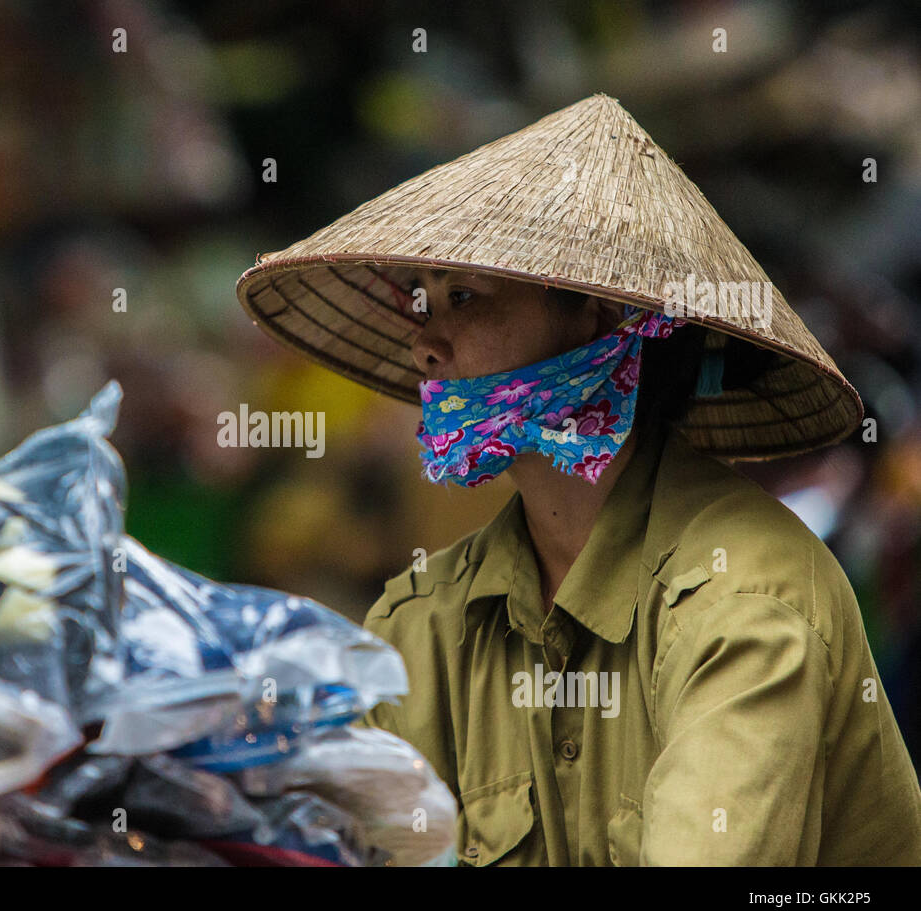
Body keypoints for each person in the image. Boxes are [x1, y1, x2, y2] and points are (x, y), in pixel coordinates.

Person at [236, 94, 921, 865]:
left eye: (463, 297)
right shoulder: (426, 623)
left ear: (597, 319)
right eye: (423, 302)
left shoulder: (746, 599)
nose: (428, 344)